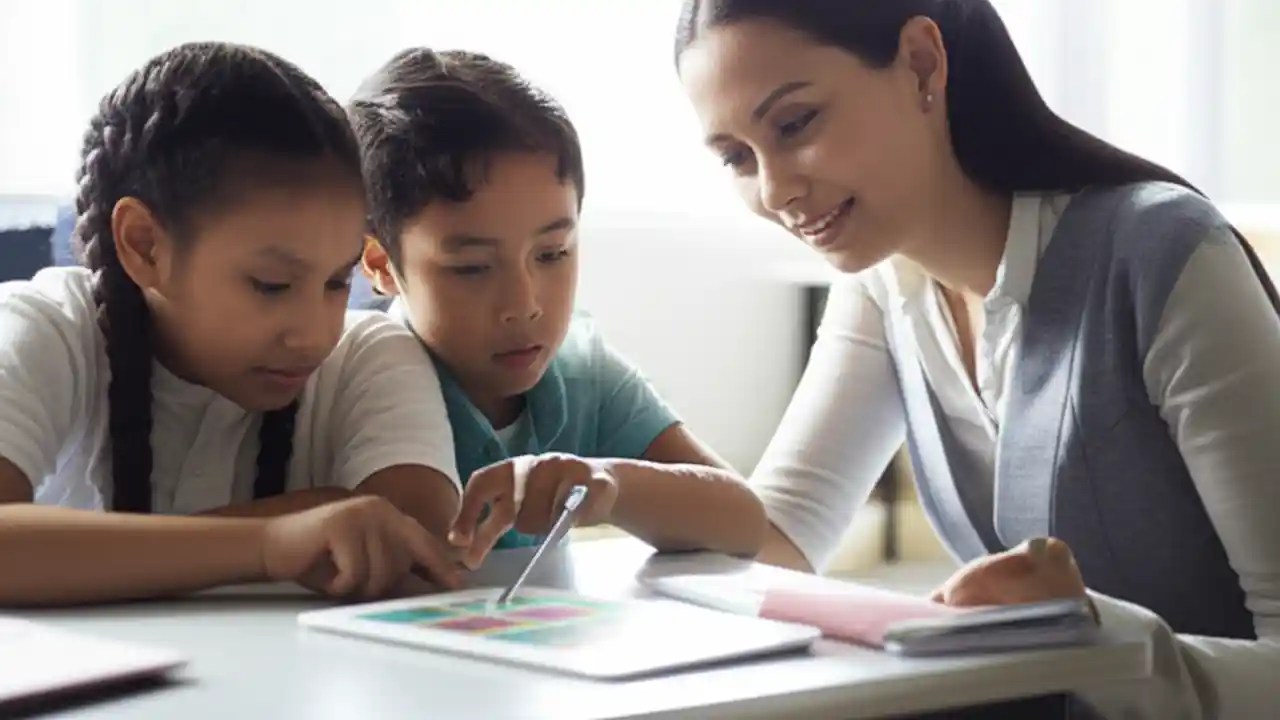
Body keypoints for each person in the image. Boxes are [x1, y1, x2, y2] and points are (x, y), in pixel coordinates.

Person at [673, 1, 1280, 717]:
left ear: (922, 64)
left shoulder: (1163, 256)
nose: (775, 192)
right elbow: (774, 543)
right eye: (738, 158)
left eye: (796, 124)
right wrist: (609, 484)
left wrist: (1091, 637)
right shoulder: (884, 286)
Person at [0, 42, 464, 606]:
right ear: (144, 246)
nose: (314, 335)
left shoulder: (368, 355)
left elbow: (411, 540)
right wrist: (268, 542)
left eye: (338, 282)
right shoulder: (47, 327)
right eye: (270, 285)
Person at [348, 48, 766, 568]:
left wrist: (612, 486)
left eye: (552, 254)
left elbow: (746, 522)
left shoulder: (581, 374)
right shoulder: (360, 379)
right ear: (382, 263)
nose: (523, 306)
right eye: (473, 268)